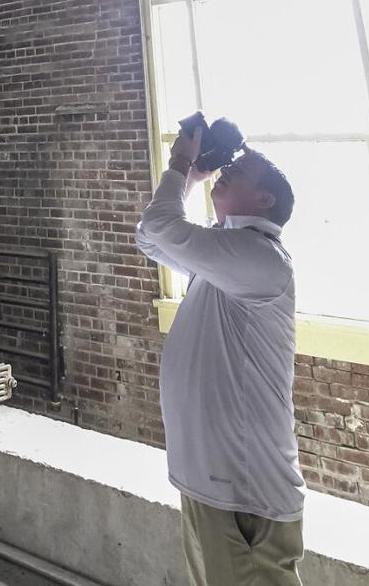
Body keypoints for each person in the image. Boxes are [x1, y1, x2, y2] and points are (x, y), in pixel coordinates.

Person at [136, 122, 305, 585]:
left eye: (243, 168)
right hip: (212, 482)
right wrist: (194, 177)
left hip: (244, 495)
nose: (229, 168)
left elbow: (160, 225)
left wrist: (179, 162)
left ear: (265, 199)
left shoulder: (260, 258)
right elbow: (149, 237)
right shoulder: (227, 255)